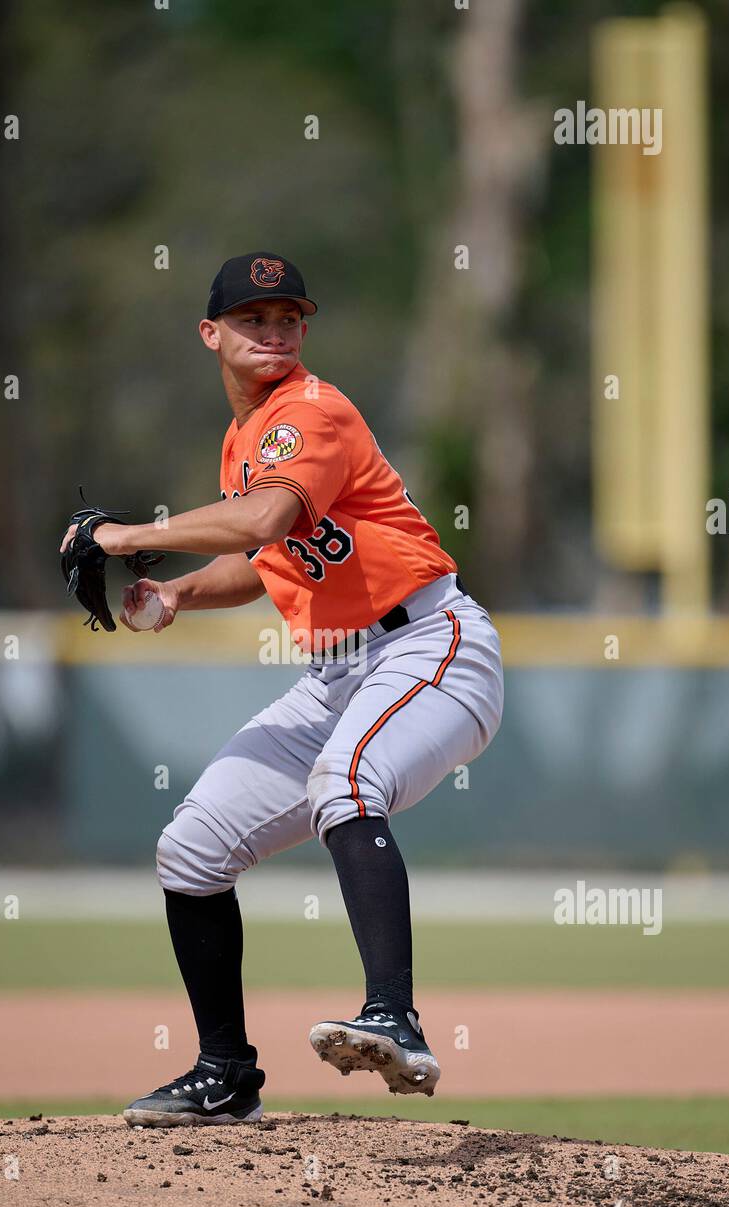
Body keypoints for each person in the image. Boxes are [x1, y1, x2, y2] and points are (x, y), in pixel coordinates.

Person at [61, 252, 503, 1126]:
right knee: (190, 850)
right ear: (211, 334)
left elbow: (264, 518)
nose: (273, 332)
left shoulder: (312, 411)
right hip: (337, 672)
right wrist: (182, 590)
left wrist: (119, 536)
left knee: (346, 783)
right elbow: (266, 557)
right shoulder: (245, 440)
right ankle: (225, 1075)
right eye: (254, 319)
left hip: (431, 646)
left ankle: (395, 1018)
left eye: (288, 317)